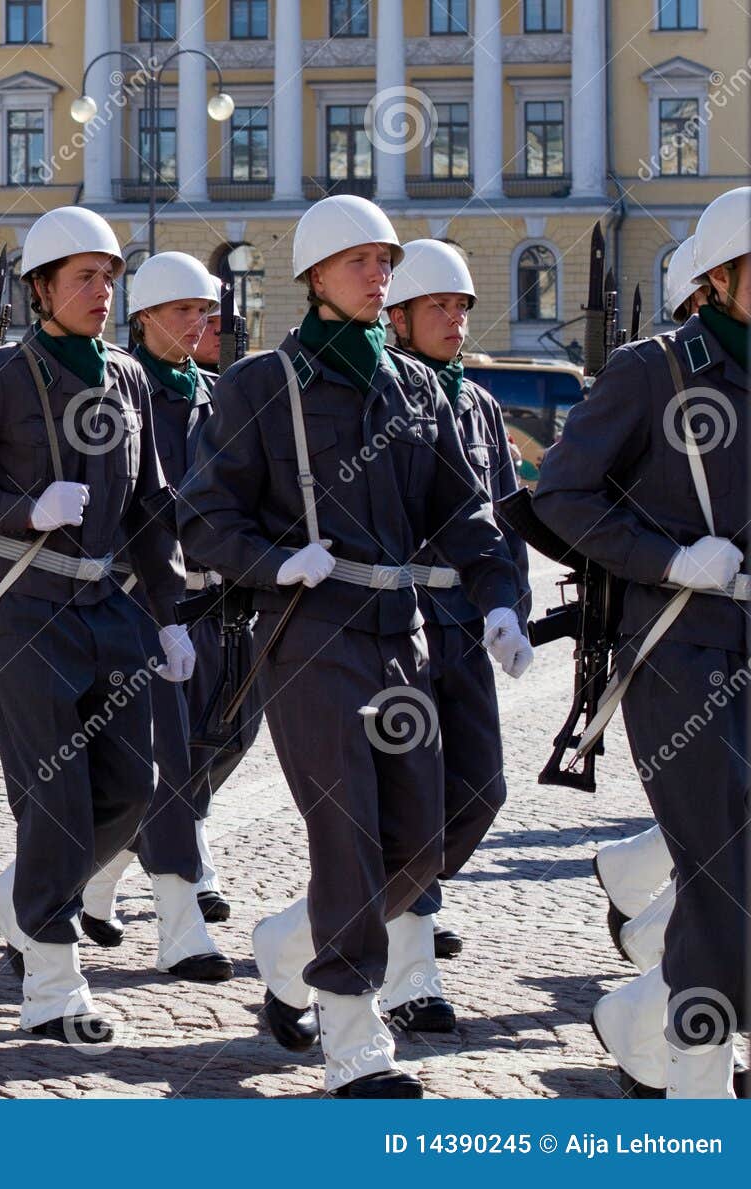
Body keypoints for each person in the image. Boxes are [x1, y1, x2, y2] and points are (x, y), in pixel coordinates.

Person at [177, 195, 531, 1097]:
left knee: (423, 833)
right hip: (310, 634)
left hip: (401, 633)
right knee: (348, 829)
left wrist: (498, 600)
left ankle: (288, 944)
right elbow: (202, 518)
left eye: (386, 260)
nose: (383, 274)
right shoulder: (262, 384)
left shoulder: (412, 387)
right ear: (316, 276)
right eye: (364, 261)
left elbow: (466, 513)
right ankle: (351, 1032)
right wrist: (274, 561)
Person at [0, 207, 190, 1043]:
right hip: (22, 611)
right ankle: (52, 981)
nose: (102, 292)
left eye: (109, 276)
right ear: (41, 290)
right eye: (84, 278)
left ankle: (23, 894)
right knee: (56, 796)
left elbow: (149, 509)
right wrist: (21, 509)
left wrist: (171, 615)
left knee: (133, 789)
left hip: (108, 607)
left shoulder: (129, 378)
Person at [537, 186, 750, 1099]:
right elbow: (560, 498)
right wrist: (669, 558)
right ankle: (697, 1074)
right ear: (720, 277)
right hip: (678, 649)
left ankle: (638, 1023)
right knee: (724, 867)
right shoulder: (652, 369)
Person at [380, 237, 531, 1026]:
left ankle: (371, 906)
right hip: (394, 621)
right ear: (397, 317)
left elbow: (505, 520)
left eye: (463, 307)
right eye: (438, 305)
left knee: (480, 789)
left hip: (463, 620)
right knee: (410, 793)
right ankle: (409, 973)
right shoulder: (382, 396)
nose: (455, 320)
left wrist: (512, 603)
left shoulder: (477, 403)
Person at [78, 250, 239, 982]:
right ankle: (181, 922)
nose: (200, 323)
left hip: (218, 600)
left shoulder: (219, 394)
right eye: (184, 311)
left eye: (204, 311)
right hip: (145, 599)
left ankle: (89, 876)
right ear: (144, 318)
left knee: (226, 735)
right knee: (168, 762)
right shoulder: (118, 390)